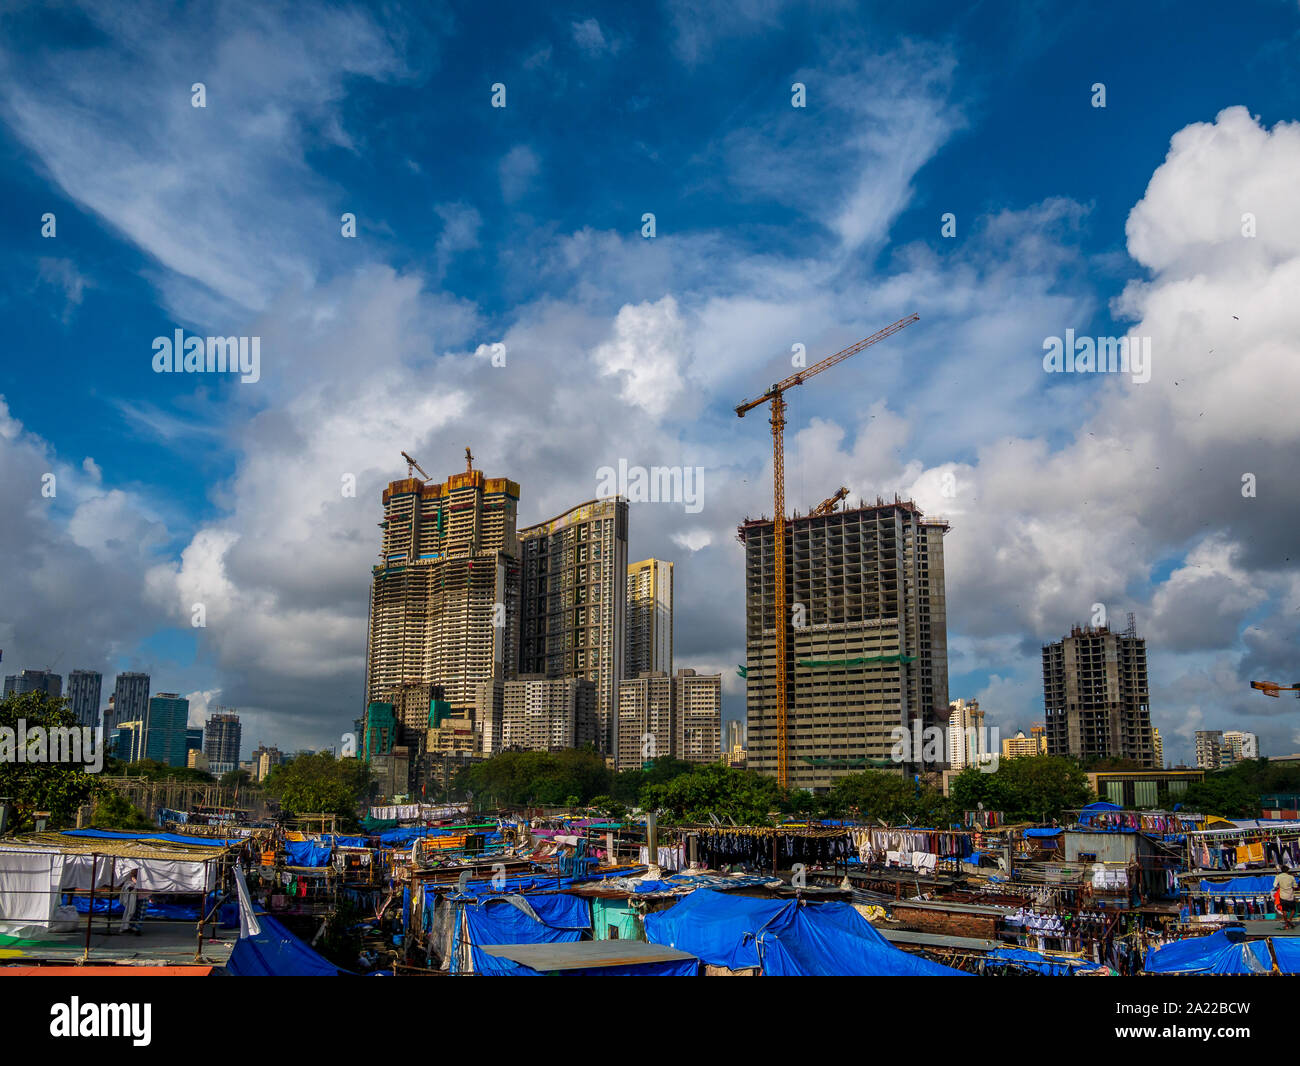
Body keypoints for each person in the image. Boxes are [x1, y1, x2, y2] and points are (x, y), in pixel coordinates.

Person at [118, 869, 142, 935]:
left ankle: (127, 927)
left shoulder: (133, 880)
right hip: (130, 899)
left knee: (131, 913)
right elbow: (129, 887)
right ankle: (125, 927)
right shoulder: (130, 881)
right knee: (129, 912)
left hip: (132, 898)